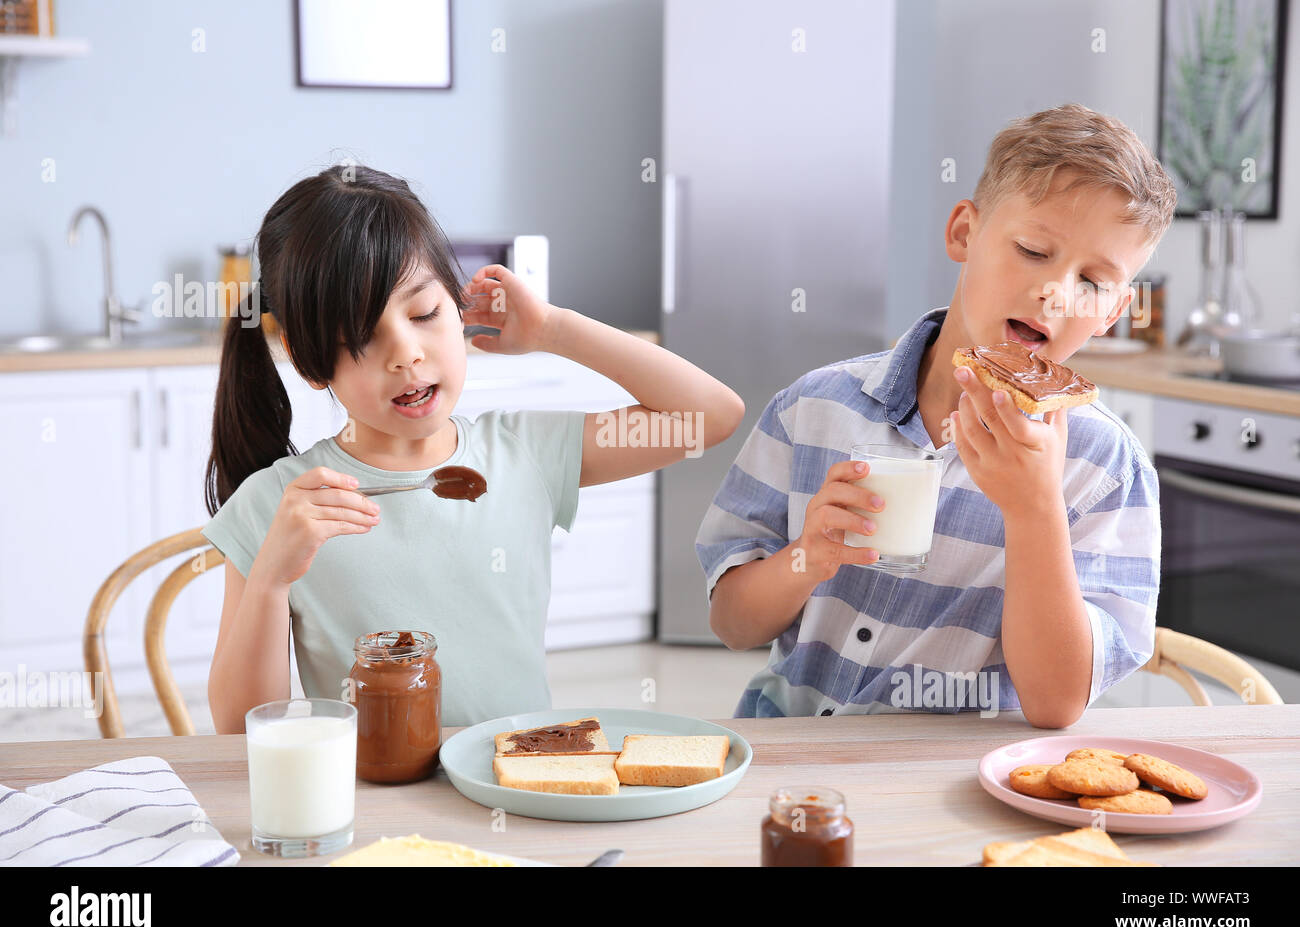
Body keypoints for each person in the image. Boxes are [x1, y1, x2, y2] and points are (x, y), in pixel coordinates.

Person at [203, 164, 744, 733]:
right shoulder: (281, 503)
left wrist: (553, 331)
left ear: (459, 307)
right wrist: (269, 579)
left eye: (424, 313)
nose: (406, 354)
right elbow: (241, 729)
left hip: (519, 780)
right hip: (376, 805)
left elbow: (708, 417)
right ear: (308, 358)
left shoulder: (526, 452)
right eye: (361, 336)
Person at [697, 104, 1176, 727]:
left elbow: (1056, 703)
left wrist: (1035, 510)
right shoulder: (813, 406)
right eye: (1034, 250)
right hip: (791, 753)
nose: (1056, 292)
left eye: (1093, 281)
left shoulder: (1105, 467)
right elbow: (733, 625)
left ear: (1113, 311)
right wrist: (805, 559)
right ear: (964, 233)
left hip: (952, 784)